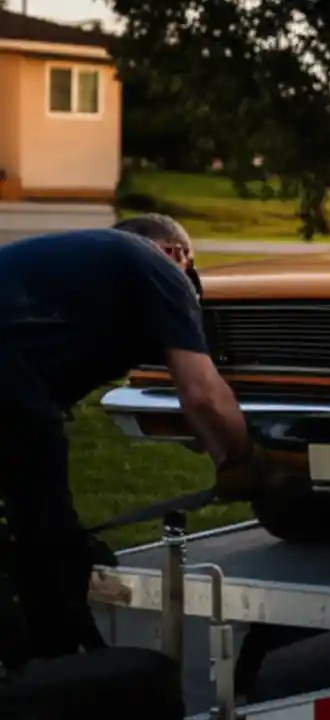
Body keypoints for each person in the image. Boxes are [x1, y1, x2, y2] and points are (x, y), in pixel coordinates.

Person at [0, 215, 269, 680]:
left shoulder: (82, 268)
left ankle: (32, 649)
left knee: (33, 511)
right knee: (49, 527)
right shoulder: (157, 266)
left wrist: (209, 442)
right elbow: (202, 394)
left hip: (14, 379)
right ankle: (57, 662)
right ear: (175, 252)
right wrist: (245, 461)